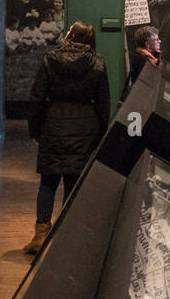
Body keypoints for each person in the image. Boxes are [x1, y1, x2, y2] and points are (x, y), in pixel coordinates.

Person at [26, 21, 111, 254]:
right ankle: (65, 236)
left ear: (69, 36)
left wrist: (35, 130)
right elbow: (104, 104)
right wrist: (103, 133)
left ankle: (40, 234)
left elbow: (36, 98)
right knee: (73, 182)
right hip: (86, 126)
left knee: (48, 181)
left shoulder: (49, 59)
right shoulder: (98, 63)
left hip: (53, 123)